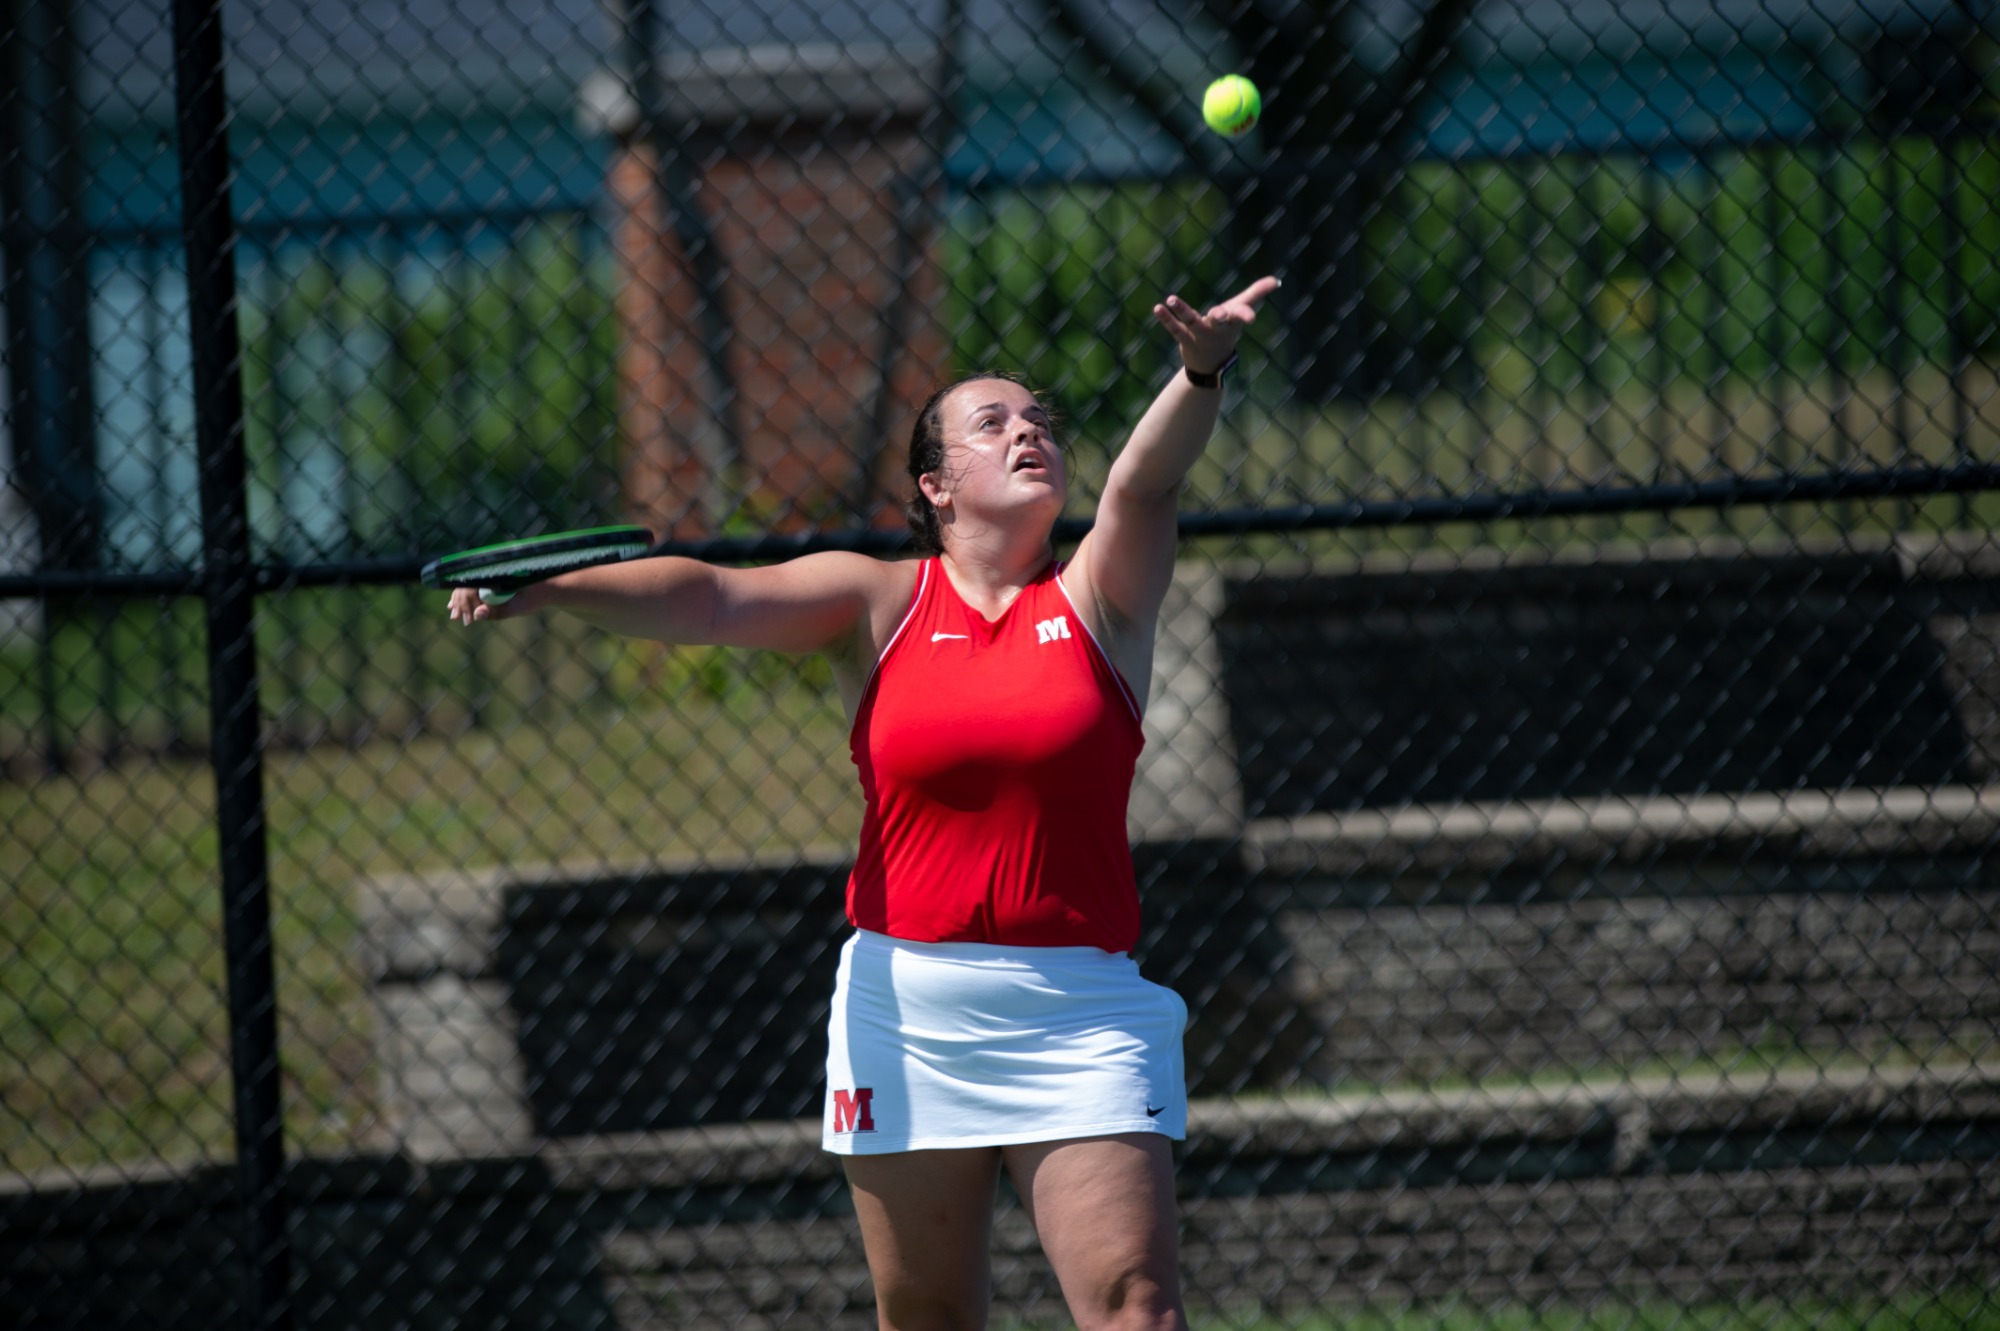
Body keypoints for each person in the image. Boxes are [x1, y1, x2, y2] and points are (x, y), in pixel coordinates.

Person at [448, 275, 1281, 1331]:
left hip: (1080, 1008)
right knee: (926, 1319)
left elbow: (1142, 488)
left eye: (1040, 423)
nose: (1028, 434)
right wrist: (553, 587)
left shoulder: (1095, 602)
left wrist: (1200, 370)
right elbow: (711, 597)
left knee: (1134, 1306)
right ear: (934, 486)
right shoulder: (877, 600)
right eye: (993, 423)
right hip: (909, 1002)